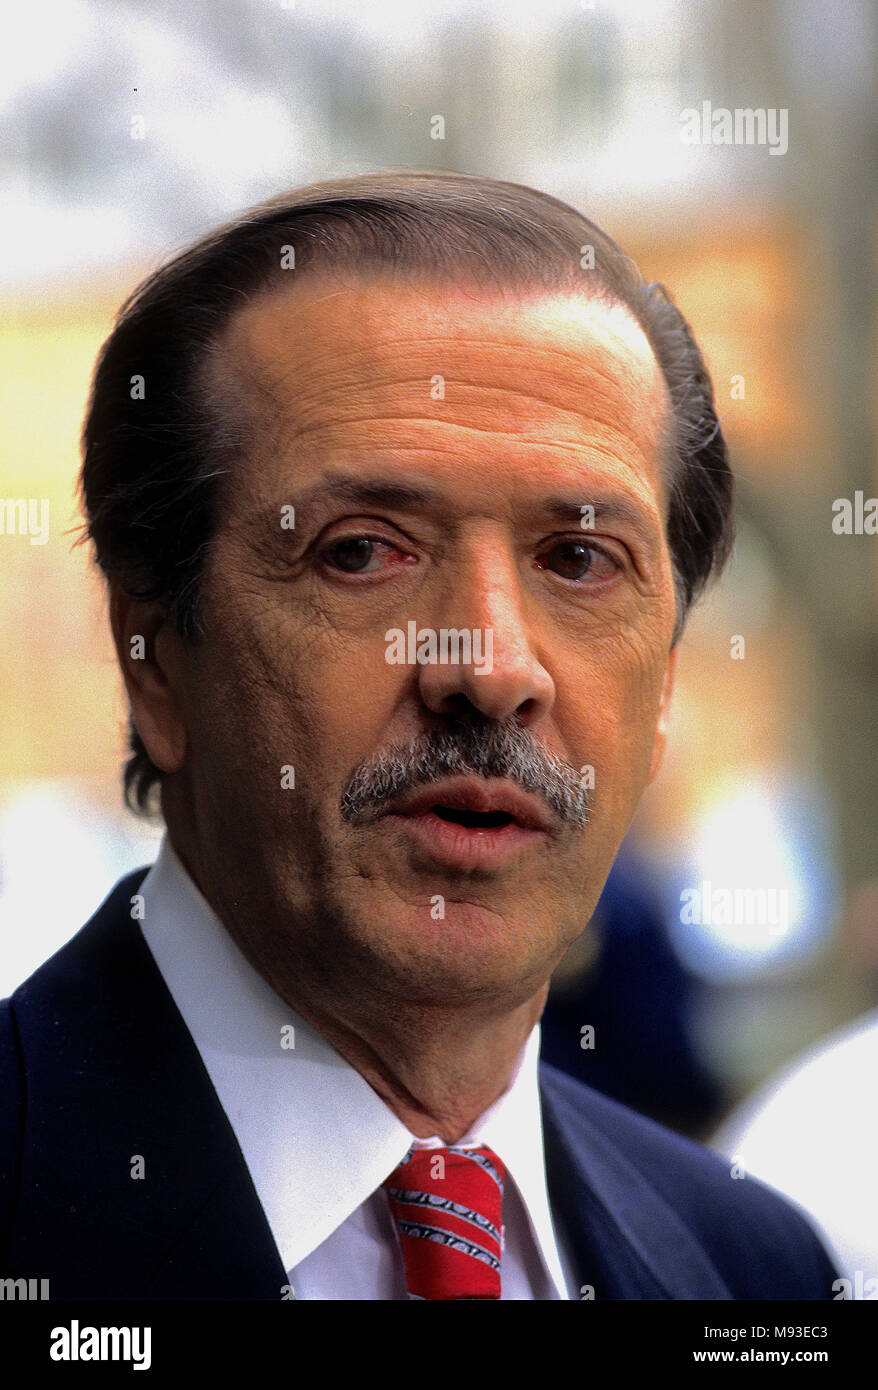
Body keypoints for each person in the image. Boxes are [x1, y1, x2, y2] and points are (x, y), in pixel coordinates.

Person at [0, 171, 838, 1300]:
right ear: (154, 657)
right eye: (361, 551)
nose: (489, 670)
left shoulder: (757, 1271)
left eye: (579, 560)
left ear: (663, 689)